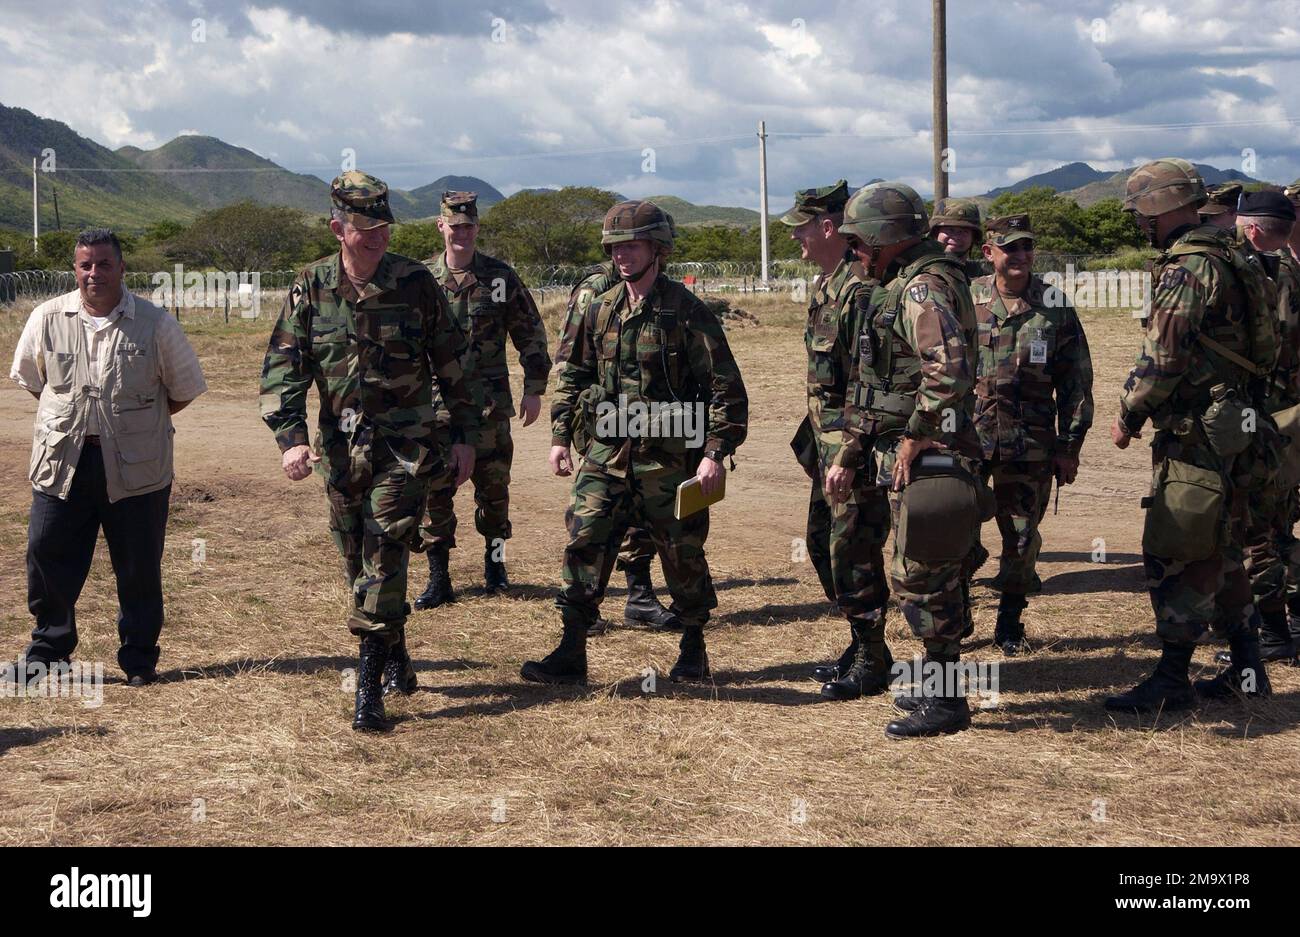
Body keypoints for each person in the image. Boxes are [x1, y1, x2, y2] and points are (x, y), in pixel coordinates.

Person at [260, 171, 480, 731]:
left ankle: (368, 693)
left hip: (405, 449)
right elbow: (285, 368)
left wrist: (462, 437)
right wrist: (291, 440)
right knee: (357, 560)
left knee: (384, 552)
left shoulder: (414, 282)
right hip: (340, 452)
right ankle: (396, 654)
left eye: (384, 226)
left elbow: (452, 363)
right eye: (365, 228)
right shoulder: (310, 286)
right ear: (338, 227)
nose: (378, 237)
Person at [521, 200, 748, 685]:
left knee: (681, 552)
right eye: (616, 247)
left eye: (633, 245)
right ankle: (572, 647)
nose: (623, 255)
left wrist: (714, 453)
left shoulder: (686, 312)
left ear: (657, 249)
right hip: (606, 454)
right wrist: (561, 435)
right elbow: (576, 372)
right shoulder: (600, 308)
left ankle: (693, 645)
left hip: (669, 460)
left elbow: (725, 389)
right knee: (585, 540)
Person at [1106, 159, 1278, 714]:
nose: (1140, 223)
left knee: (1175, 547)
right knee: (1225, 544)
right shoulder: (1236, 254)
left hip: (1197, 432)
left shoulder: (1188, 268)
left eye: (1142, 212)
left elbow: (1164, 358)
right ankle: (1248, 668)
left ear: (1160, 207)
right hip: (1236, 424)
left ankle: (1174, 676)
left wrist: (1130, 413)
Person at [7, 228, 207, 686]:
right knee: (46, 553)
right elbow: (35, 383)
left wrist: (125, 424)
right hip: (64, 462)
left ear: (121, 268)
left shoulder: (157, 323)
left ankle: (139, 660)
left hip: (136, 466)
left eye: (103, 264)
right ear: (75, 269)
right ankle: (48, 652)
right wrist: (80, 417)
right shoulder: (46, 317)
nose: (94, 273)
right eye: (85, 265)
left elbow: (180, 392)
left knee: (138, 564)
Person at [839, 182, 984, 738]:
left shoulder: (922, 288)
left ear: (884, 239)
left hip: (931, 450)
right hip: (923, 446)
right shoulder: (916, 278)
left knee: (926, 571)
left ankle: (947, 703)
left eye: (858, 242)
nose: (854, 253)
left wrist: (917, 434)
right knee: (932, 565)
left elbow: (947, 372)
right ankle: (936, 685)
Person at [780, 180, 893, 700]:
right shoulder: (828, 285)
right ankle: (861, 640)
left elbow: (872, 382)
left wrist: (851, 451)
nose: (795, 238)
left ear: (828, 228)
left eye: (801, 227)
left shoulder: (862, 291)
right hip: (826, 449)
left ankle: (873, 656)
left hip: (854, 449)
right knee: (824, 547)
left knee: (855, 550)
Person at [414, 191, 552, 606]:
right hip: (435, 407)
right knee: (434, 494)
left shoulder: (498, 277)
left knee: (494, 494)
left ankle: (496, 568)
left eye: (469, 225)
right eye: (454, 226)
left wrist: (534, 387)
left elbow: (529, 332)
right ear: (441, 226)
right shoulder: (421, 280)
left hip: (489, 406)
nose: (462, 233)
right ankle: (440, 579)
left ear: (477, 227)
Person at [970, 214, 1094, 654]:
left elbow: (1076, 385)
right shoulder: (968, 300)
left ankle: (1010, 619)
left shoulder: (1055, 305)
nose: (1021, 256)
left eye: (1027, 247)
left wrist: (1069, 446)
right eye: (1010, 248)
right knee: (953, 525)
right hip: (968, 439)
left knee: (1021, 535)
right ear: (990, 253)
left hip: (1030, 443)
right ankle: (956, 610)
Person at [555, 262, 680, 634]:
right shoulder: (597, 291)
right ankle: (581, 616)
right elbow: (571, 362)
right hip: (606, 429)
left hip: (652, 431)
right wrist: (563, 432)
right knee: (593, 520)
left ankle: (638, 596)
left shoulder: (667, 295)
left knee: (645, 518)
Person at [1228, 191, 1300, 663]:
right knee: (1276, 521)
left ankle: (1273, 633)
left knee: (1258, 525)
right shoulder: (1283, 270)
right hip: (1282, 414)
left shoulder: (1267, 275)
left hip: (1273, 414)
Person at [928, 197, 985, 279]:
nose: (956, 237)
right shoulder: (923, 274)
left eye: (964, 231)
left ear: (973, 237)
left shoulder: (984, 274)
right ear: (936, 233)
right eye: (950, 230)